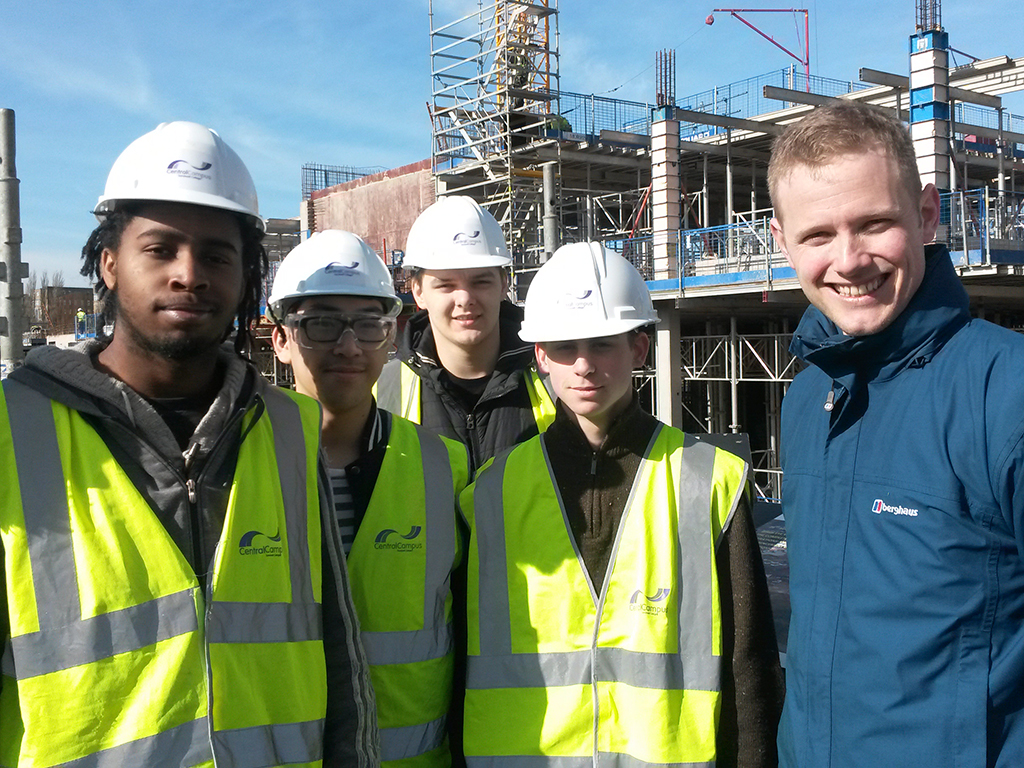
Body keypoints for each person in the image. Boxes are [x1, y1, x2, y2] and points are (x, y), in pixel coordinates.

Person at [0, 122, 377, 767]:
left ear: (246, 274)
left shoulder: (288, 428)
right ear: (110, 263)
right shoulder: (15, 430)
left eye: (216, 256)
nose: (189, 274)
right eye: (160, 249)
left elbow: (338, 652)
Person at [458, 242, 785, 767]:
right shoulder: (492, 491)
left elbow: (749, 662)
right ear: (540, 357)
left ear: (638, 348)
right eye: (565, 347)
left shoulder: (708, 479)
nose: (584, 365)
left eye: (602, 344)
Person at [768, 102, 1024, 766]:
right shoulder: (808, 398)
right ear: (782, 242)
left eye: (874, 224)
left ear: (927, 215)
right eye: (817, 235)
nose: (849, 260)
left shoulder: (1006, 392)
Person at [269, 230, 470, 768]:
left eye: (368, 324)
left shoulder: (443, 467)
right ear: (281, 338)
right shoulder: (236, 469)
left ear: (391, 337)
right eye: (321, 323)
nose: (349, 346)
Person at [375, 195, 555, 474]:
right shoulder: (381, 392)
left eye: (480, 281)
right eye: (446, 285)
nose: (465, 299)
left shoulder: (554, 379)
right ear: (418, 292)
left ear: (503, 284)